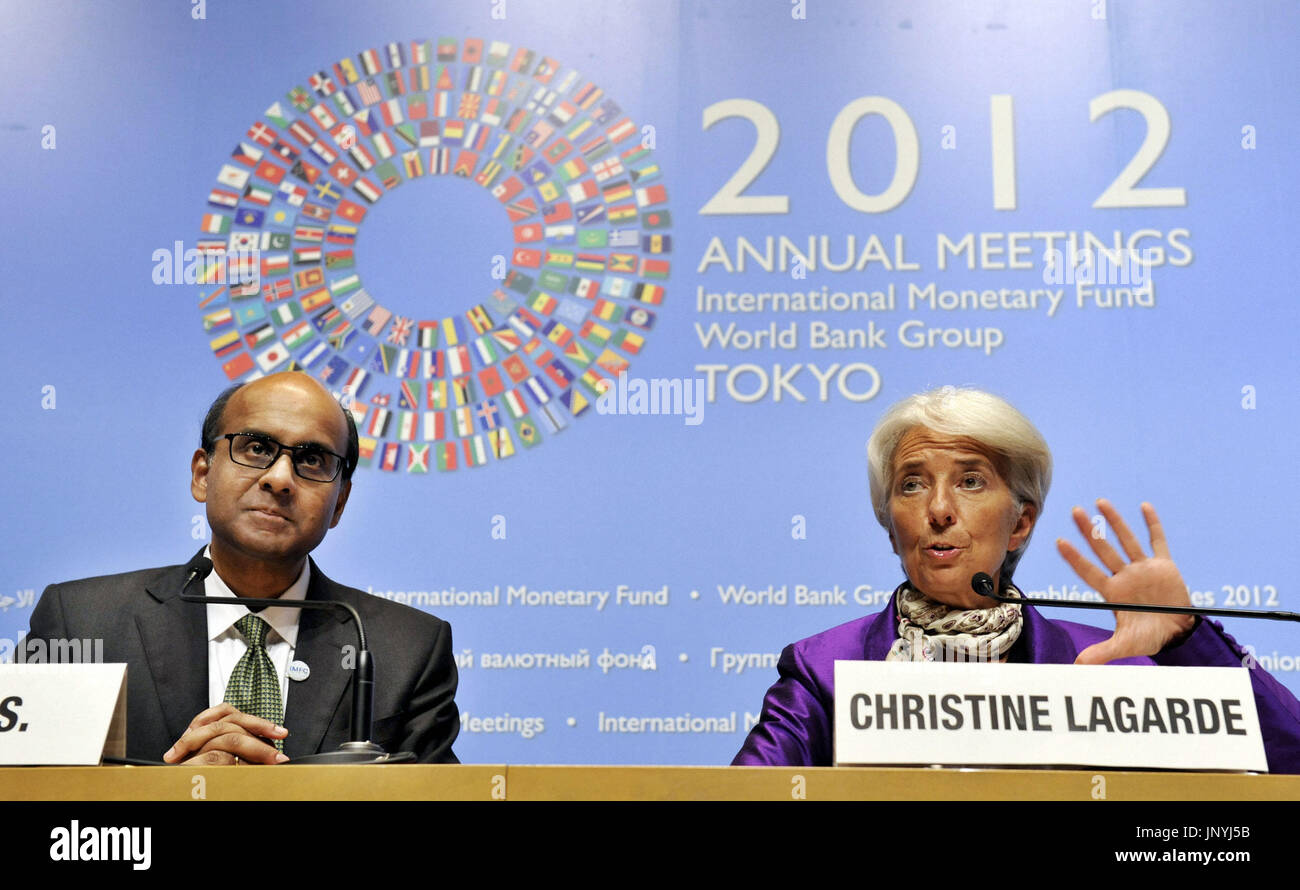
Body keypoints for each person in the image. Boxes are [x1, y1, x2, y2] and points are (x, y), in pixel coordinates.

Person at [732, 386, 1300, 771]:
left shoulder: (1113, 666)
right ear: (889, 523)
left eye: (971, 481)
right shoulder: (825, 667)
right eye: (911, 484)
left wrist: (1184, 637)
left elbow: (1289, 763)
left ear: (1020, 523)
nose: (938, 508)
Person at [25, 372, 459, 764]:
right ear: (202, 473)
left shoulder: (408, 650)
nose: (280, 478)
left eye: (311, 460)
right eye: (257, 448)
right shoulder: (80, 623)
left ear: (339, 503)